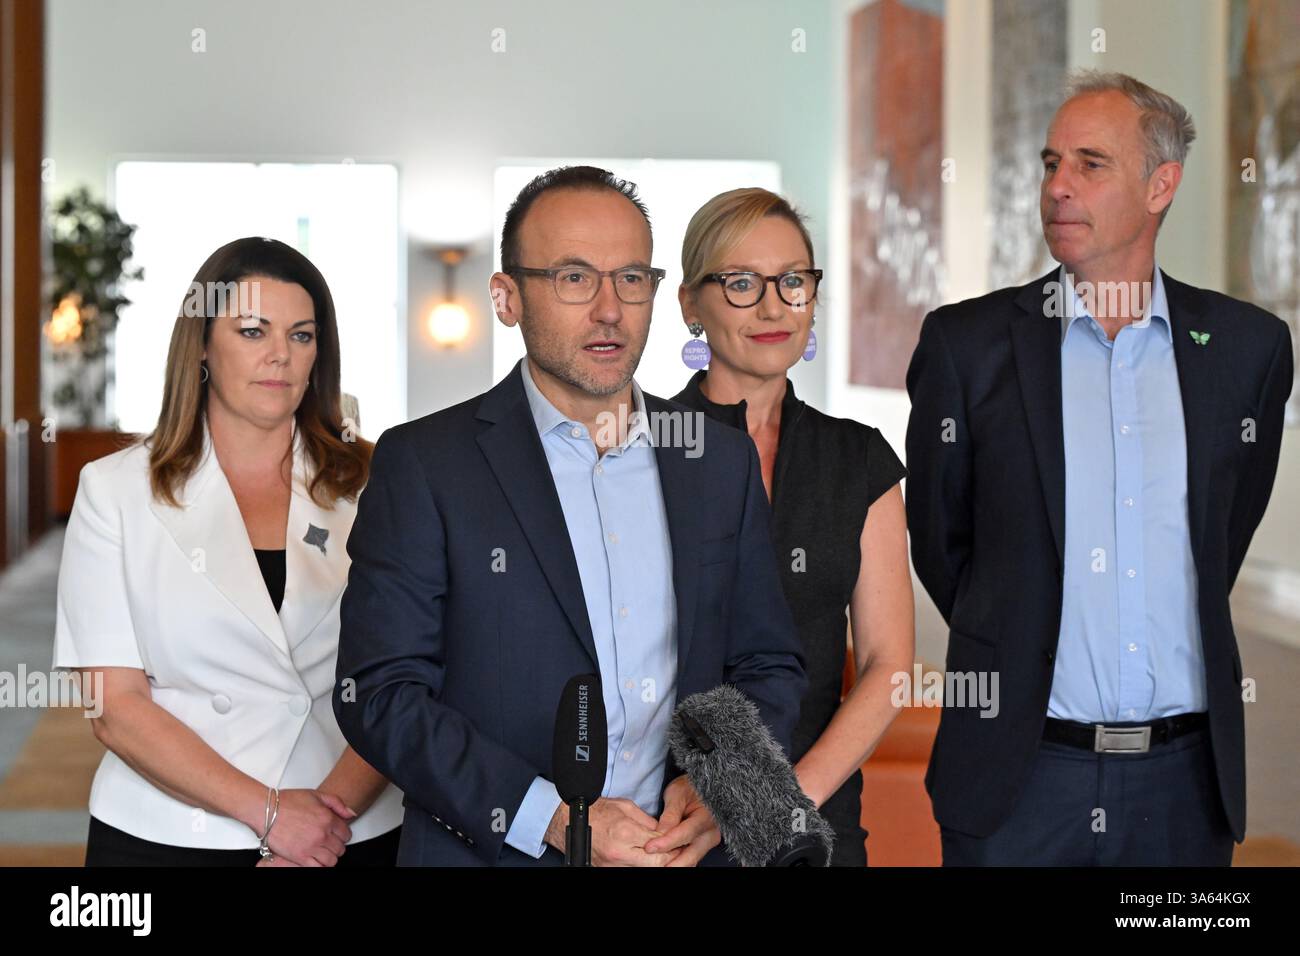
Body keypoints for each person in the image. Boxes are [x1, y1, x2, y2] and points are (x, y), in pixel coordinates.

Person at [333, 166, 807, 866]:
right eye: (574, 278)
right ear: (507, 297)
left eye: (632, 279)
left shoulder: (717, 461)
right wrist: (553, 819)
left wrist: (723, 786)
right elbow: (379, 693)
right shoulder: (427, 464)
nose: (610, 309)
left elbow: (767, 662)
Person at [905, 71, 1294, 865]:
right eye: (1051, 163)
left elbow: (1222, 534)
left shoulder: (1247, 350)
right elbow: (945, 550)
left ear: (1161, 185)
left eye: (1090, 164)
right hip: (1020, 782)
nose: (1058, 187)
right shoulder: (968, 347)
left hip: (1185, 789)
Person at [54, 237, 403, 866]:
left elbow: (407, 679)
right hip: (170, 833)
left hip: (347, 823)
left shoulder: (379, 481)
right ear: (204, 347)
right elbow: (116, 707)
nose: (280, 356)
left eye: (302, 335)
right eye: (252, 331)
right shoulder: (114, 491)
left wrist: (319, 827)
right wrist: (271, 816)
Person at [671, 188, 914, 866]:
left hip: (813, 822)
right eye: (741, 283)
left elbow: (888, 665)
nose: (774, 306)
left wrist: (774, 801)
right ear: (691, 303)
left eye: (793, 281)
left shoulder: (857, 456)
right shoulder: (640, 447)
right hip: (664, 822)